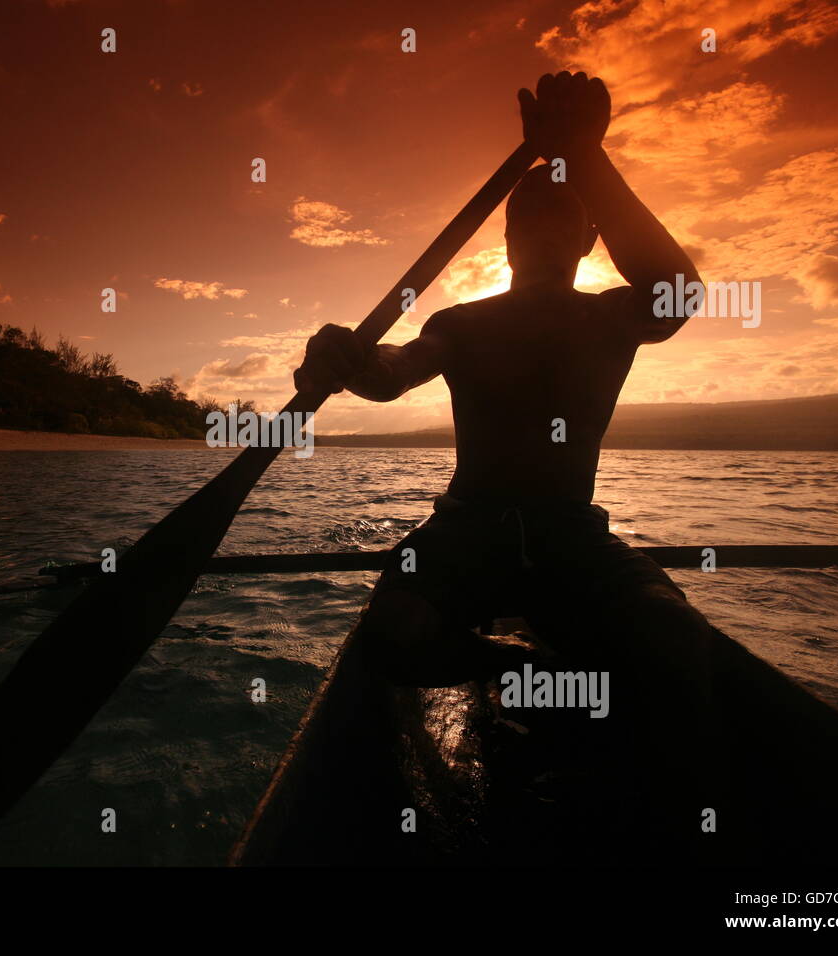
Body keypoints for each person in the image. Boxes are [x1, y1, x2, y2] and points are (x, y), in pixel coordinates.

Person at [294, 71, 707, 689]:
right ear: (508, 238)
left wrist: (583, 156)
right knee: (393, 628)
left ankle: (558, 681)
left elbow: (679, 292)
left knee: (675, 635)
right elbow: (392, 373)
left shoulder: (611, 318)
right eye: (527, 218)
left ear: (591, 237)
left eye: (560, 214)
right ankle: (543, 679)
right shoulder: (463, 323)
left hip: (573, 535)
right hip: (465, 528)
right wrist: (346, 359)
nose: (541, 229)